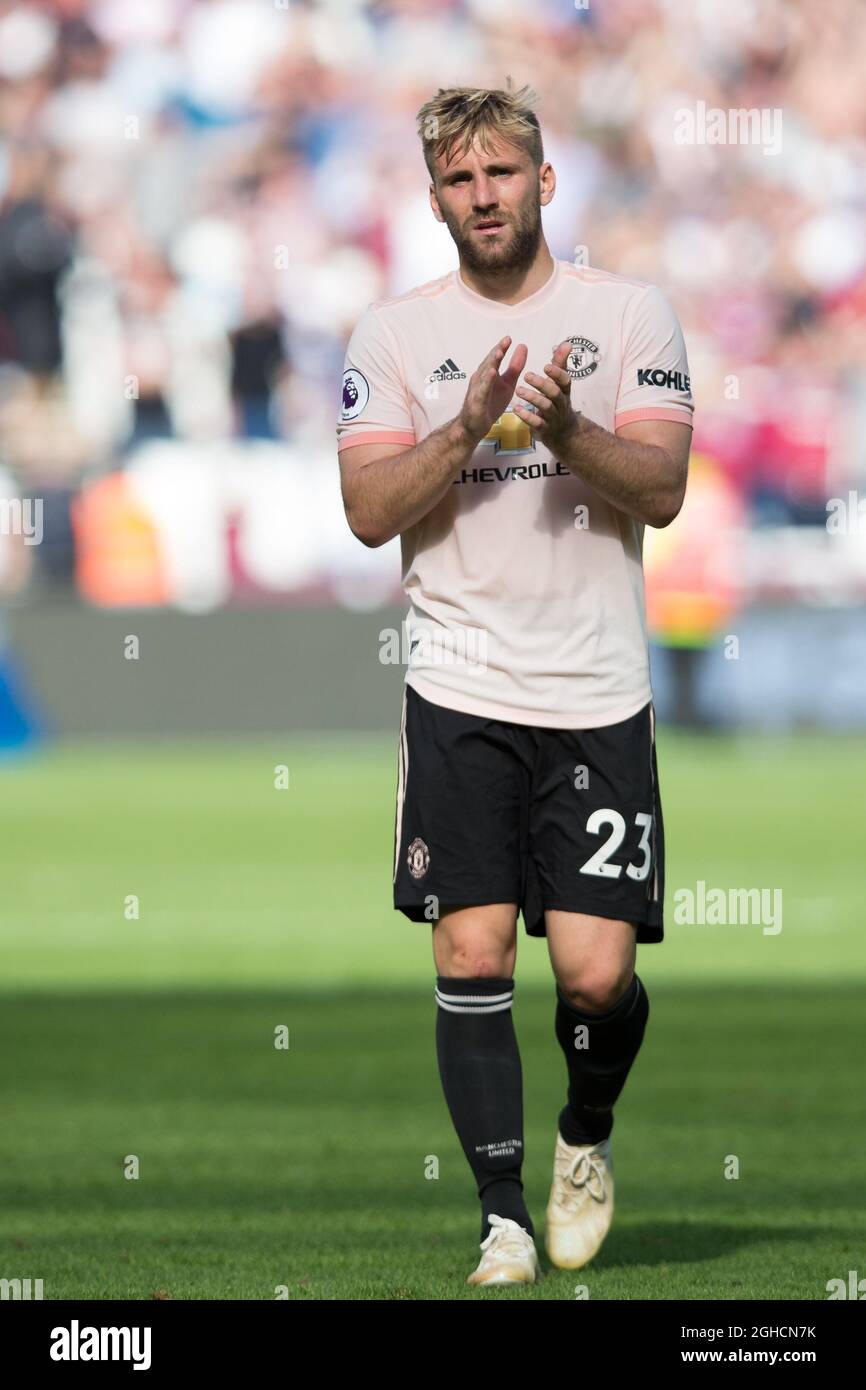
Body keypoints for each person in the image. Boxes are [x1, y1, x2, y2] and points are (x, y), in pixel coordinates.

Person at [337, 84, 693, 1287]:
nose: (480, 196)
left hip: (595, 691)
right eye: (456, 180)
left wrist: (563, 429)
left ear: (543, 184)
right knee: (470, 952)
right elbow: (366, 512)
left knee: (596, 974)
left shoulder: (628, 311)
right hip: (458, 684)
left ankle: (582, 1135)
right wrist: (466, 426)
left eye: (500, 174)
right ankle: (500, 1219)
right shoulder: (389, 335)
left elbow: (660, 489)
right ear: (432, 197)